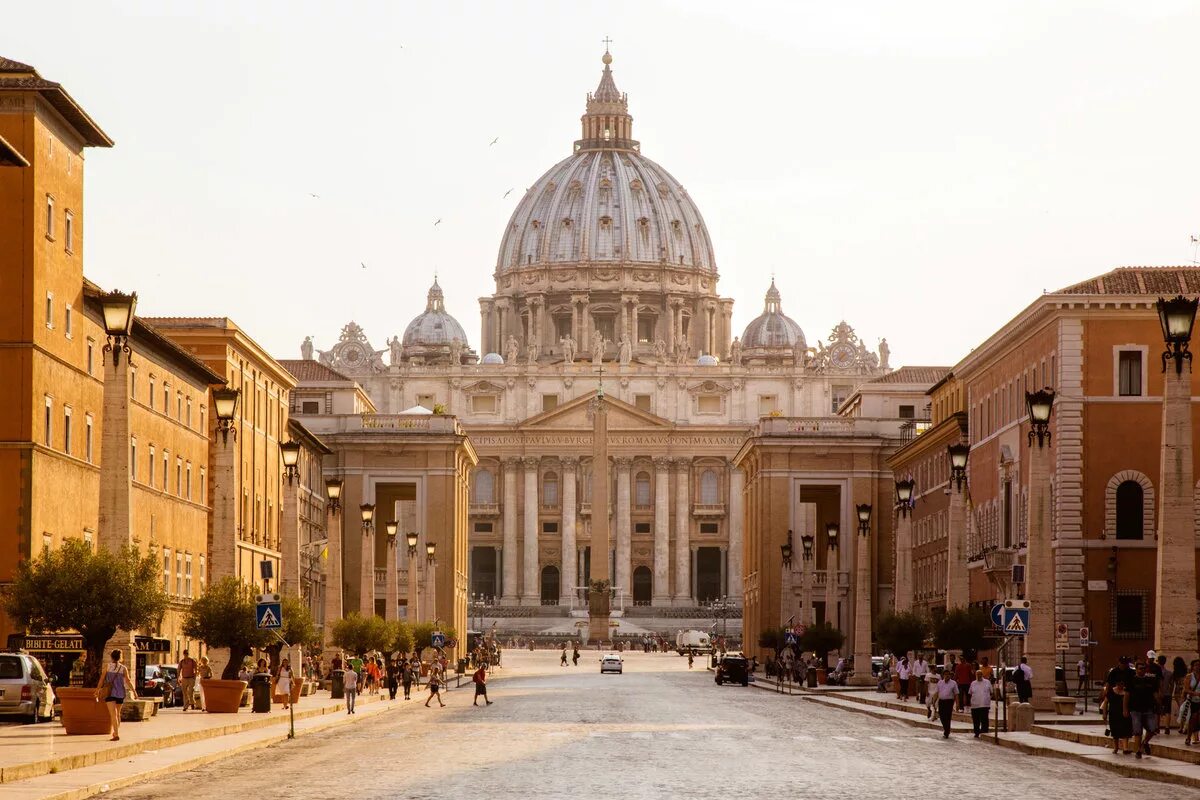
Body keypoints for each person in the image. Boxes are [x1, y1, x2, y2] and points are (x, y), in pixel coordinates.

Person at [96, 649, 135, 741]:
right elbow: (128, 681)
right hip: (120, 693)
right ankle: (116, 732)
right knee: (118, 714)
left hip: (110, 693)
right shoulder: (123, 668)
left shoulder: (108, 667)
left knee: (113, 714)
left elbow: (102, 679)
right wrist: (134, 691)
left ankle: (116, 734)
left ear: (111, 657)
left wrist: (97, 690)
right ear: (120, 658)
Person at [1128, 659, 1159, 758]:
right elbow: (1127, 695)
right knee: (1137, 731)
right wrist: (1125, 708)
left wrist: (1159, 704)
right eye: (1140, 668)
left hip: (1148, 708)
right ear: (1136, 669)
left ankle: (1145, 742)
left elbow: (1155, 693)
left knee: (1152, 728)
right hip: (1135, 709)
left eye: (1144, 668)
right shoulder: (1132, 680)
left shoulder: (1150, 680)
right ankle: (1138, 751)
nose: (1142, 670)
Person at [1108, 678, 1131, 755]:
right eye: (1119, 683)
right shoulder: (1111, 691)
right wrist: (1104, 713)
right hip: (1113, 713)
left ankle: (1125, 748)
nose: (1120, 685)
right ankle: (1116, 747)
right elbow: (1106, 702)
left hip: (1124, 713)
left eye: (1122, 684)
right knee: (1115, 731)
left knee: (1125, 729)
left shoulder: (1126, 692)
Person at [969, 669, 993, 738]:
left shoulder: (987, 682)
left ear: (982, 675)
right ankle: (976, 732)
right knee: (976, 720)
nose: (979, 676)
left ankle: (984, 733)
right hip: (975, 705)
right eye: (977, 674)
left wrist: (987, 699)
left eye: (980, 674)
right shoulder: (973, 683)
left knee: (984, 720)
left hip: (984, 705)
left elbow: (991, 692)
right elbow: (970, 693)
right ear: (976, 675)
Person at [935, 669, 959, 738]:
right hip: (941, 701)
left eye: (948, 674)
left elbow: (956, 694)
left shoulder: (953, 683)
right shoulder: (940, 682)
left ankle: (947, 731)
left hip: (949, 702)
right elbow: (937, 692)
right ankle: (946, 728)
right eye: (945, 674)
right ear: (943, 675)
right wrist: (934, 700)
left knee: (947, 716)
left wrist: (957, 704)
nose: (947, 676)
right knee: (941, 715)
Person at [1184, 660, 1200, 746]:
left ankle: (1196, 736)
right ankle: (1189, 737)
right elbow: (1186, 689)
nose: (1198, 667)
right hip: (1193, 701)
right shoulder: (1189, 676)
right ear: (1193, 666)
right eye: (1196, 665)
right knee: (1193, 719)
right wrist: (1195, 693)